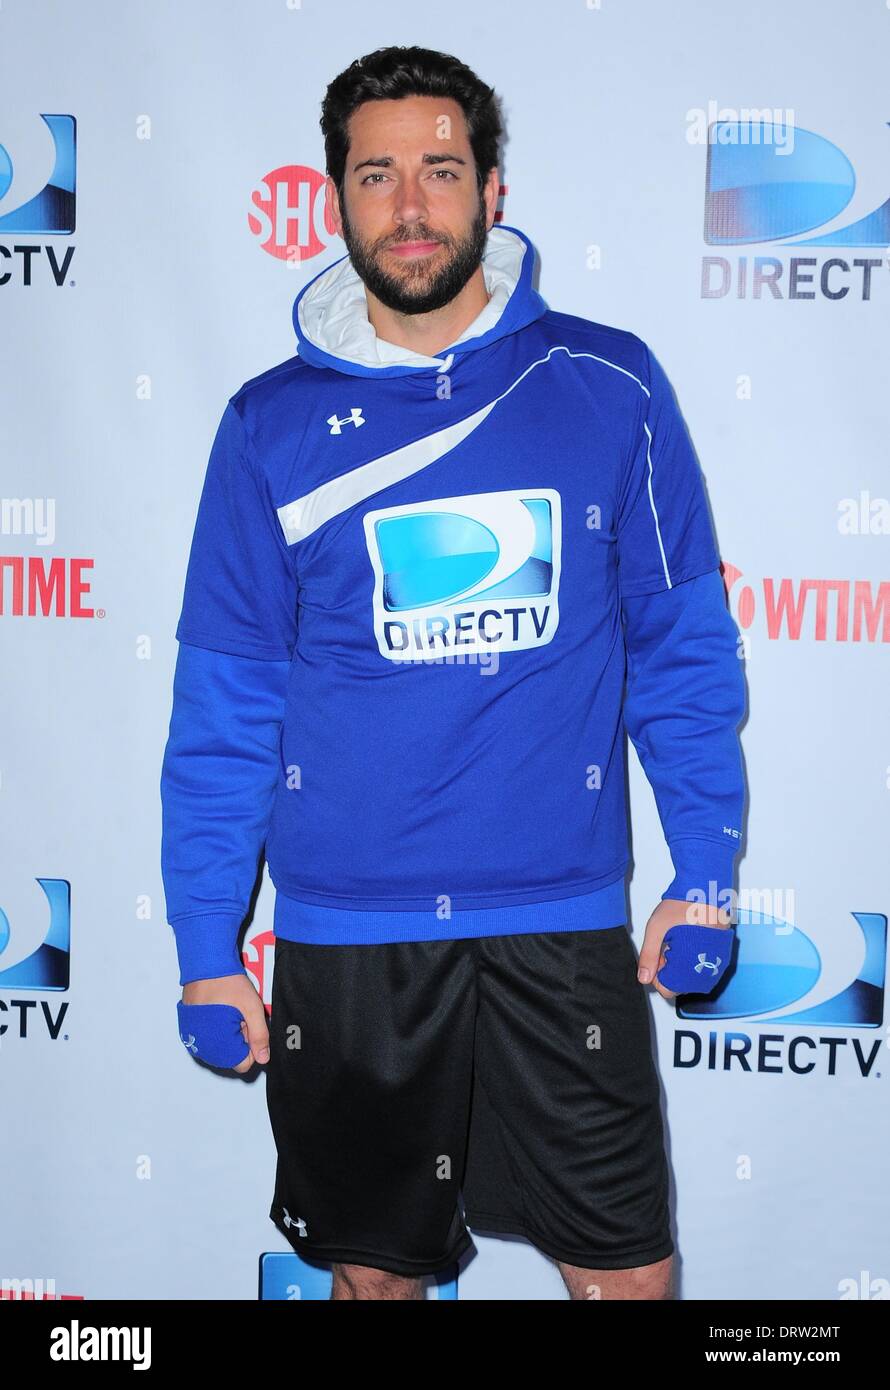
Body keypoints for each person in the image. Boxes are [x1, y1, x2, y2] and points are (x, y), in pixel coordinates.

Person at [160, 44, 746, 1302]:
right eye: (377, 175)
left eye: (439, 168)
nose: (410, 206)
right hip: (348, 943)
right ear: (335, 197)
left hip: (559, 925)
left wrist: (702, 870)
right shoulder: (266, 425)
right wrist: (208, 944)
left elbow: (680, 650)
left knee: (625, 1282)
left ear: (492, 185)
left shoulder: (608, 382)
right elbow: (225, 706)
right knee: (374, 1286)